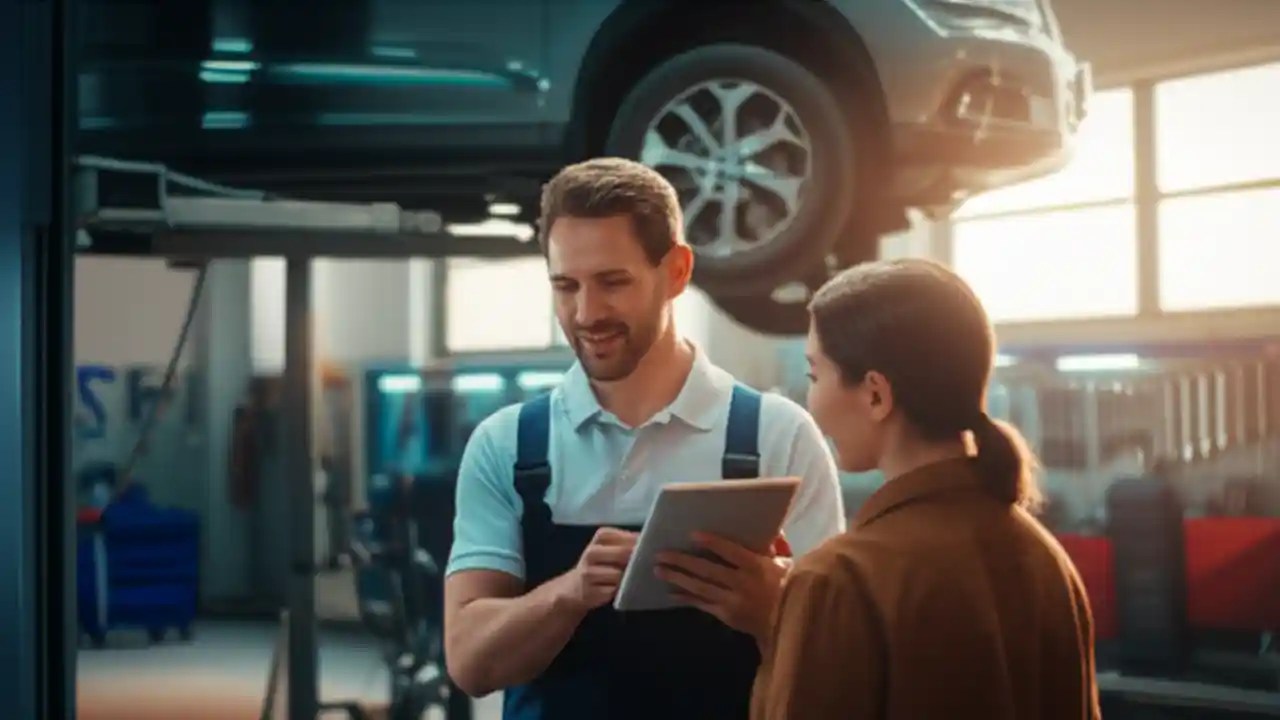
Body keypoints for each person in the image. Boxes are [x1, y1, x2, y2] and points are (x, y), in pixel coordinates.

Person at [443, 157, 846, 720]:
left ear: (677, 271)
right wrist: (571, 593)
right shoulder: (507, 447)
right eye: (566, 286)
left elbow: (841, 664)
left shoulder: (777, 439)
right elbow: (468, 662)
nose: (586, 313)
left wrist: (769, 608)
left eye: (613, 283)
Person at [751, 258, 1101, 720]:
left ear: (875, 393)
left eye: (815, 377)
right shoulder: (1046, 559)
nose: (810, 403)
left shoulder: (838, 580)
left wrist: (772, 627)